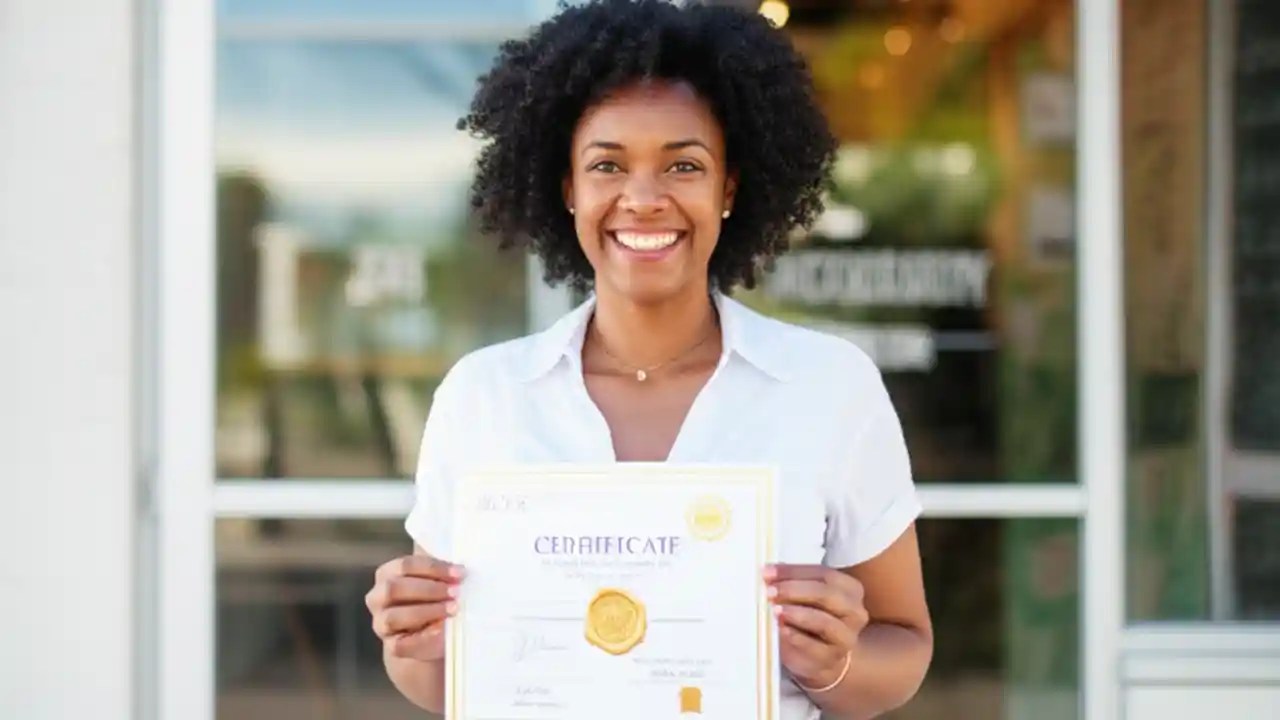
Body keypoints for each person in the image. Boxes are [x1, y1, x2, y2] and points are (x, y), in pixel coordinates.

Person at [365, 1, 933, 717]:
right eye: (607, 165)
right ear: (568, 189)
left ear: (728, 189)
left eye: (684, 165)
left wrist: (833, 661)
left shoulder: (828, 386)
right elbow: (446, 680)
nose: (642, 199)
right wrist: (408, 641)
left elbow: (904, 645)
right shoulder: (484, 395)